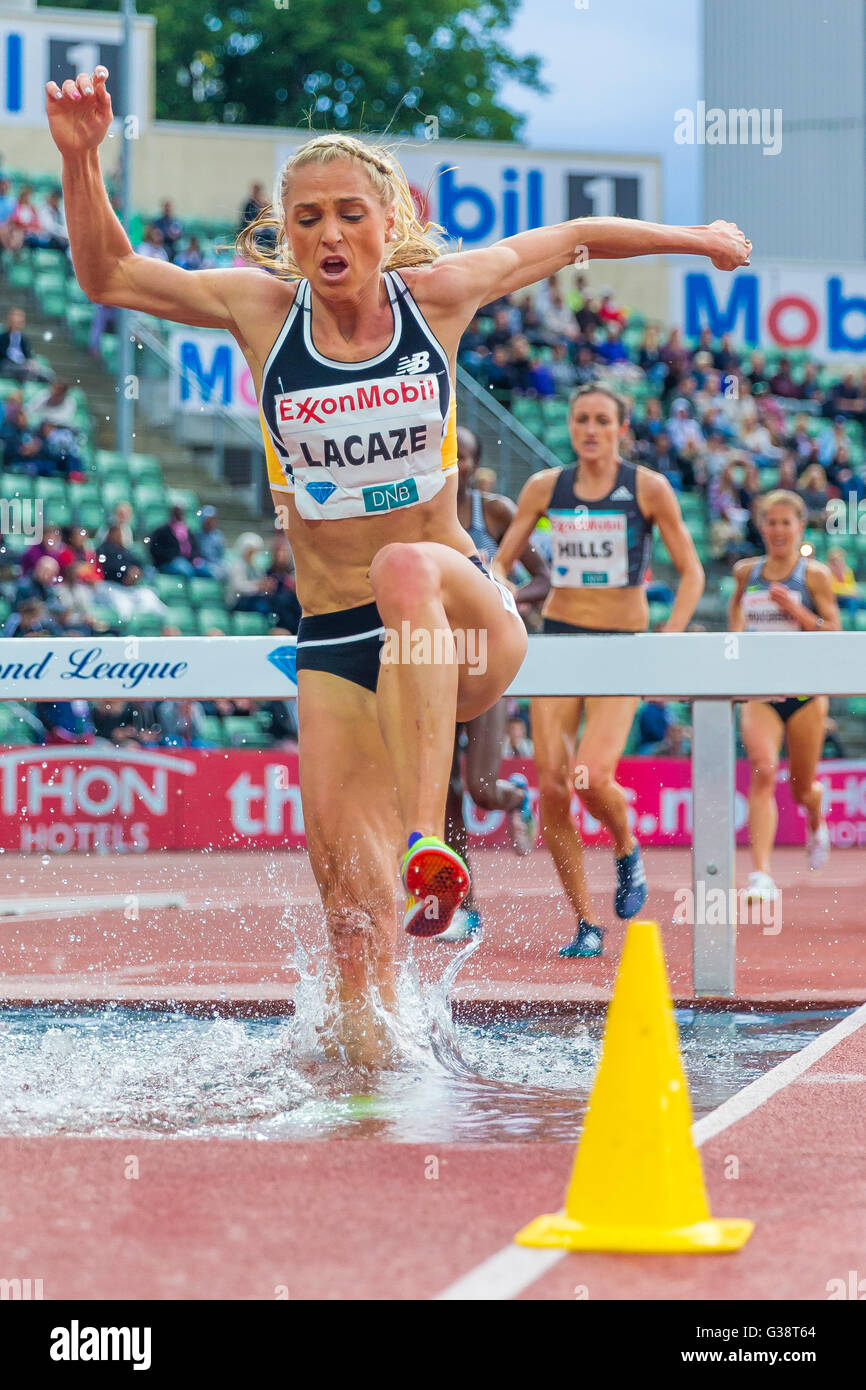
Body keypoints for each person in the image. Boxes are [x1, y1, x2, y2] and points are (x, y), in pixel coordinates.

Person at [48, 64, 750, 1063]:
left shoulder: (441, 295)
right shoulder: (260, 312)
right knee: (349, 923)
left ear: (389, 220)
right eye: (304, 220)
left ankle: (433, 839)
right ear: (284, 235)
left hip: (461, 618)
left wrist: (700, 241)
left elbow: (573, 240)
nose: (327, 236)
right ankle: (375, 1081)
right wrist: (80, 158)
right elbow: (109, 276)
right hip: (336, 641)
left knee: (405, 570)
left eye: (346, 214)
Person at [493, 385, 706, 958]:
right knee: (555, 787)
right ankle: (586, 922)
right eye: (581, 419)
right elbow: (499, 562)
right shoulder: (545, 488)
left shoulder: (646, 488)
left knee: (589, 775)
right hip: (560, 644)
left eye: (602, 420)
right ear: (570, 425)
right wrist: (501, 593)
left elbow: (692, 573)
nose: (591, 429)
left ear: (621, 429)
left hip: (622, 648)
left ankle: (625, 844)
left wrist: (670, 635)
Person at [440, 424, 550, 942]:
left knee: (480, 790)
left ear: (475, 462)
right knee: (445, 791)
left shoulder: (496, 512)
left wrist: (507, 594)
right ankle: (464, 906)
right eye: (448, 453)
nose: (456, 462)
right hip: (436, 663)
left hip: (485, 664)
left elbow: (545, 579)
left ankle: (515, 798)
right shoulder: (421, 513)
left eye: (464, 455)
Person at [728, 490, 841, 902]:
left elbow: (834, 632)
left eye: (785, 523)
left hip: (806, 693)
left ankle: (815, 811)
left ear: (799, 528)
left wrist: (797, 613)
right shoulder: (746, 571)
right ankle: (761, 874)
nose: (777, 530)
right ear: (761, 527)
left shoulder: (814, 576)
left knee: (801, 786)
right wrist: (738, 643)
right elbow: (736, 614)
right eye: (770, 522)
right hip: (762, 692)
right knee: (761, 768)